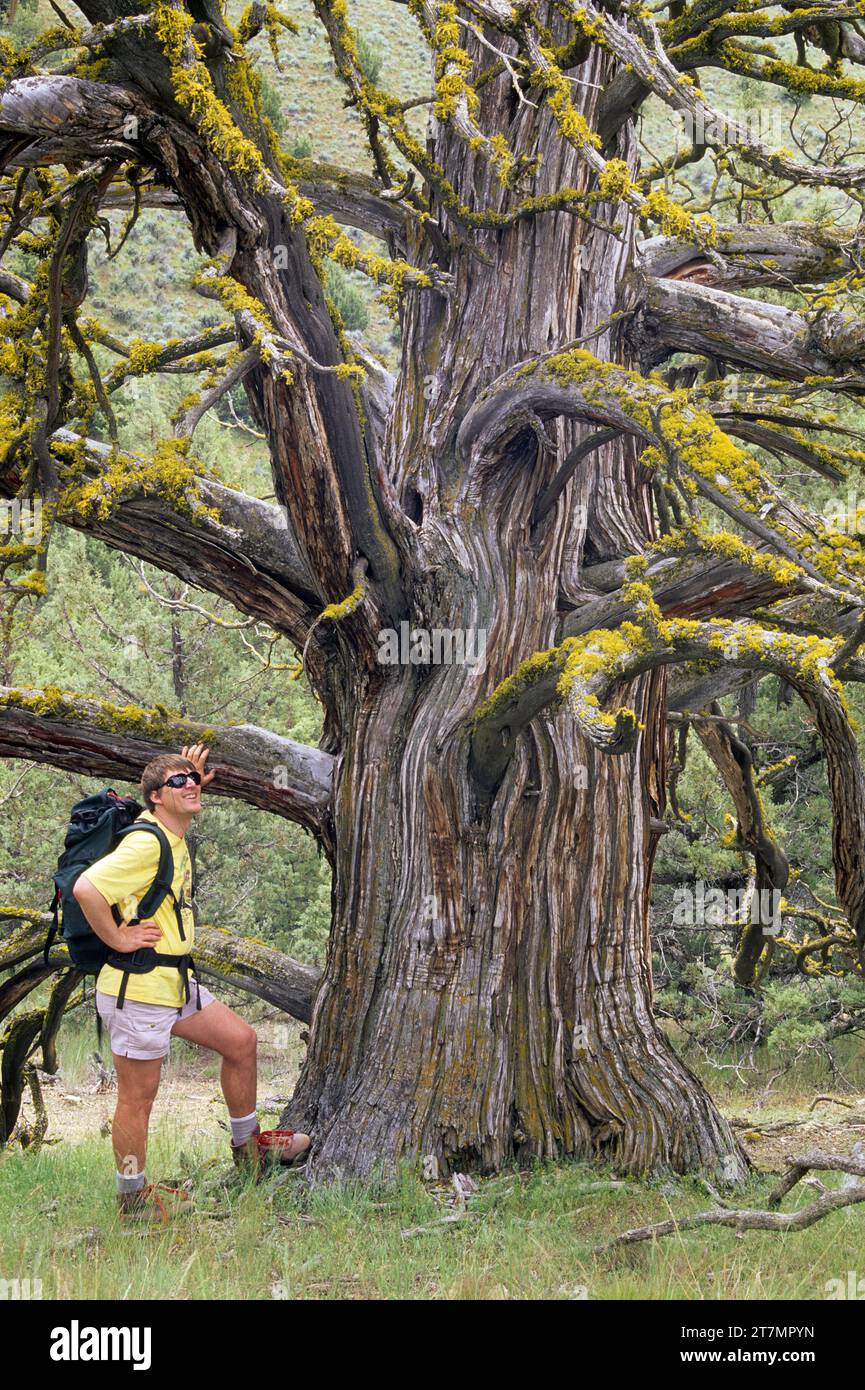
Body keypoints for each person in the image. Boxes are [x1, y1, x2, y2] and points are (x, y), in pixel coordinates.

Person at [72, 743, 310, 1224]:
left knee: (241, 1042)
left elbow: (181, 790)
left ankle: (249, 1153)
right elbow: (86, 889)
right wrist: (118, 937)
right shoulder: (146, 842)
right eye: (179, 783)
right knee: (138, 1099)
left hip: (173, 983)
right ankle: (133, 1201)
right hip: (137, 989)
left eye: (195, 780)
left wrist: (186, 776)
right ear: (156, 798)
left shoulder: (171, 830)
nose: (192, 785)